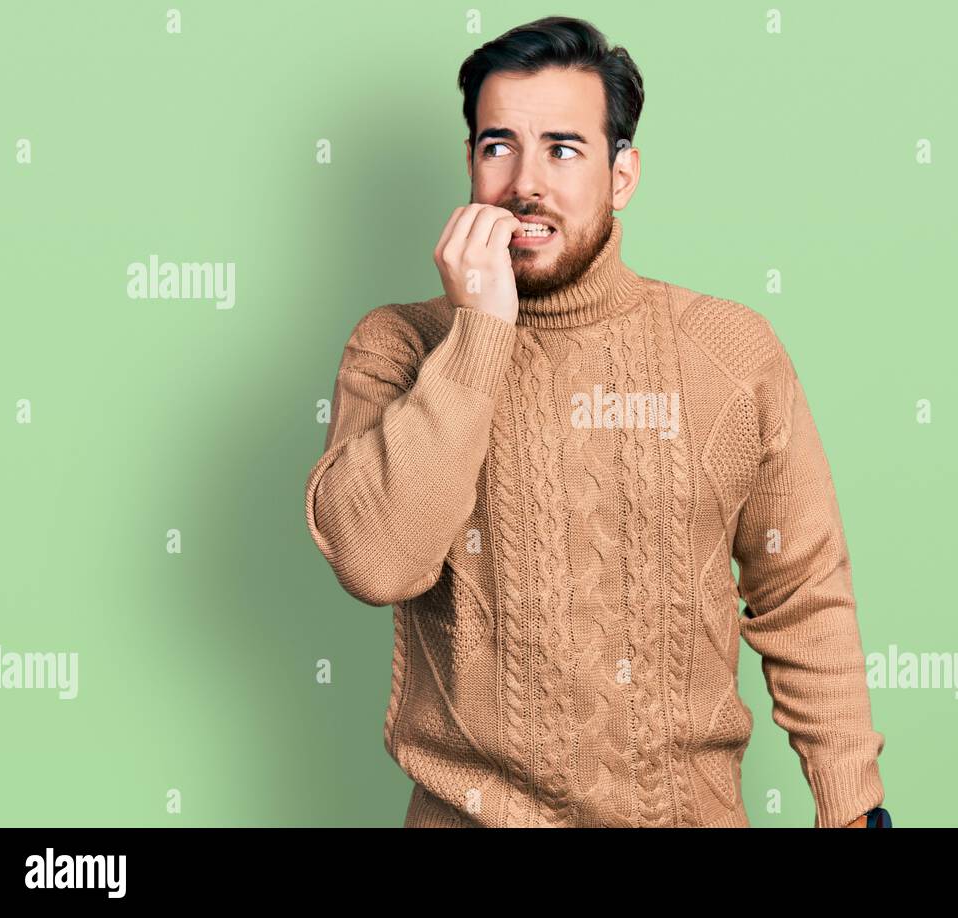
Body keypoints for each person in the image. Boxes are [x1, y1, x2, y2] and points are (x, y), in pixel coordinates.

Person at [303, 15, 887, 828]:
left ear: (622, 176)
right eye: (497, 146)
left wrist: (852, 804)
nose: (524, 184)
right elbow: (377, 564)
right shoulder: (399, 345)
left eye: (563, 149)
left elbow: (803, 588)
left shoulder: (730, 350)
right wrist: (479, 335)